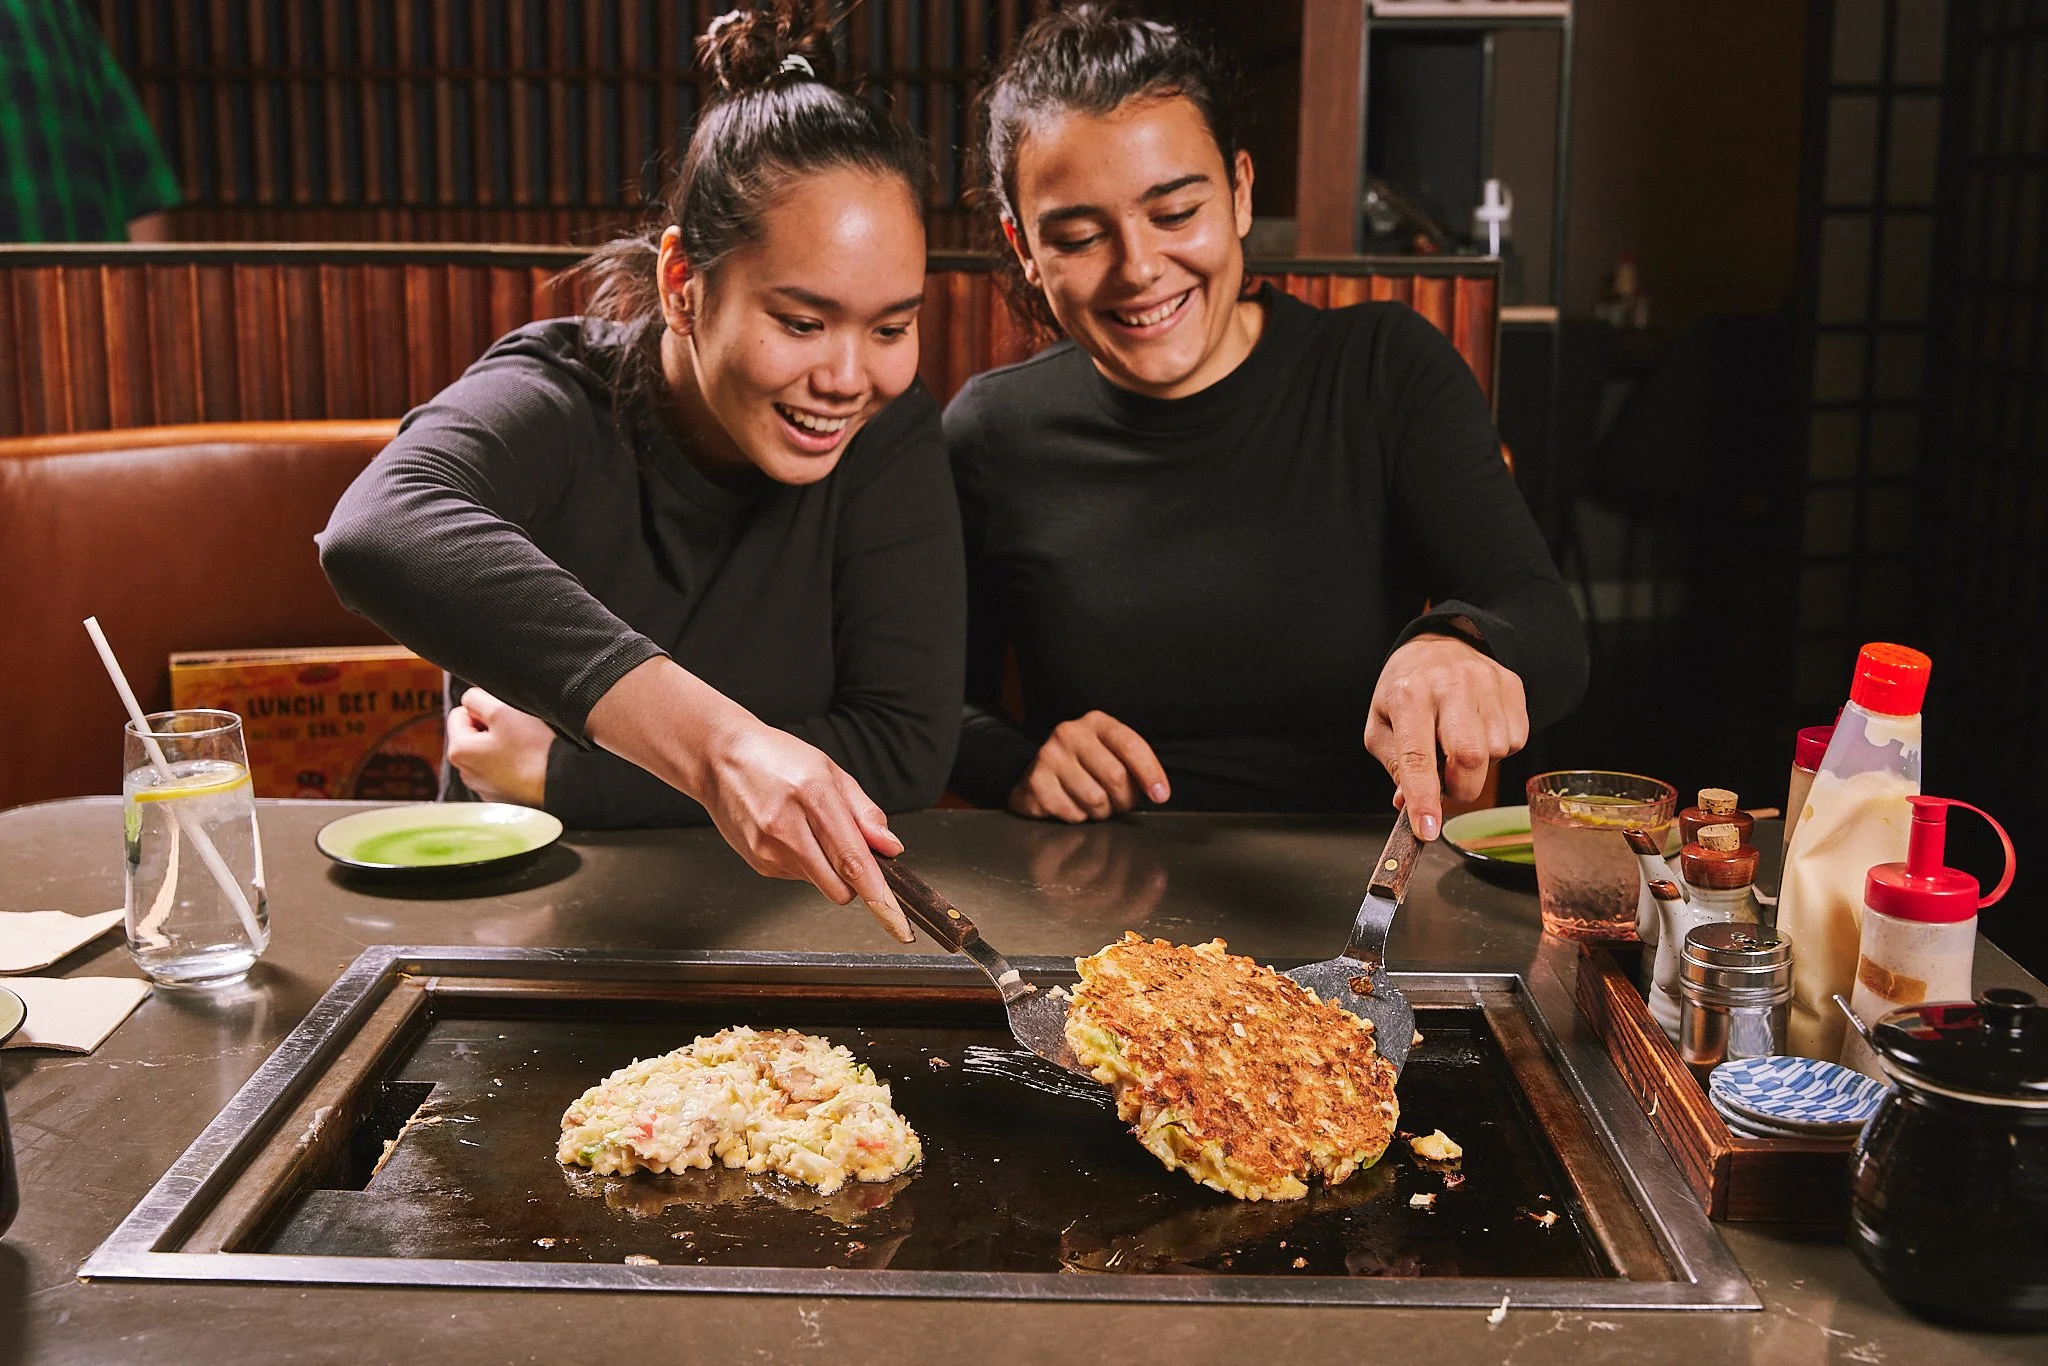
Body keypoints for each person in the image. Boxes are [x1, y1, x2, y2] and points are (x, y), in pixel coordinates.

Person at [319, 2, 962, 942]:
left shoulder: (885, 433)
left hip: (773, 935)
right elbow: (378, 527)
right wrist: (719, 749)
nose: (849, 377)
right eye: (801, 321)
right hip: (521, 925)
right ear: (681, 285)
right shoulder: (557, 396)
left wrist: (576, 771)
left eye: (893, 327)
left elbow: (901, 750)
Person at [947, 4, 1586, 840]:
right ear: (1025, 248)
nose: (1139, 269)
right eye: (1076, 235)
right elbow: (933, 702)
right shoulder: (993, 431)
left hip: (1359, 893)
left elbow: (1544, 621)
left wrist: (1458, 641)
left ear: (1241, 193)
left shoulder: (1379, 369)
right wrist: (1019, 762)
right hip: (1102, 906)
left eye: (1176, 213)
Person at [0, 0, 179, 241]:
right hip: (91, 270)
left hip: (88, 270)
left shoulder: (60, 12)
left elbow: (142, 182)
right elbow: (144, 187)